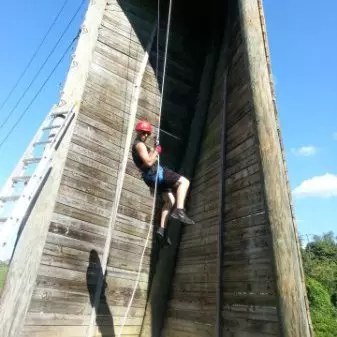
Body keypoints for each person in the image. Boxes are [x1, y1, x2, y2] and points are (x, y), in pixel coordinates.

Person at [132, 120, 195, 242]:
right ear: (138, 131)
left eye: (147, 134)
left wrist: (153, 149)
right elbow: (149, 162)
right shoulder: (139, 145)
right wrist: (157, 151)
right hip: (156, 174)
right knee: (184, 182)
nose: (145, 135)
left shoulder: (138, 146)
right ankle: (179, 211)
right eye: (143, 133)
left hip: (151, 178)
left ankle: (161, 229)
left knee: (170, 201)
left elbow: (146, 159)